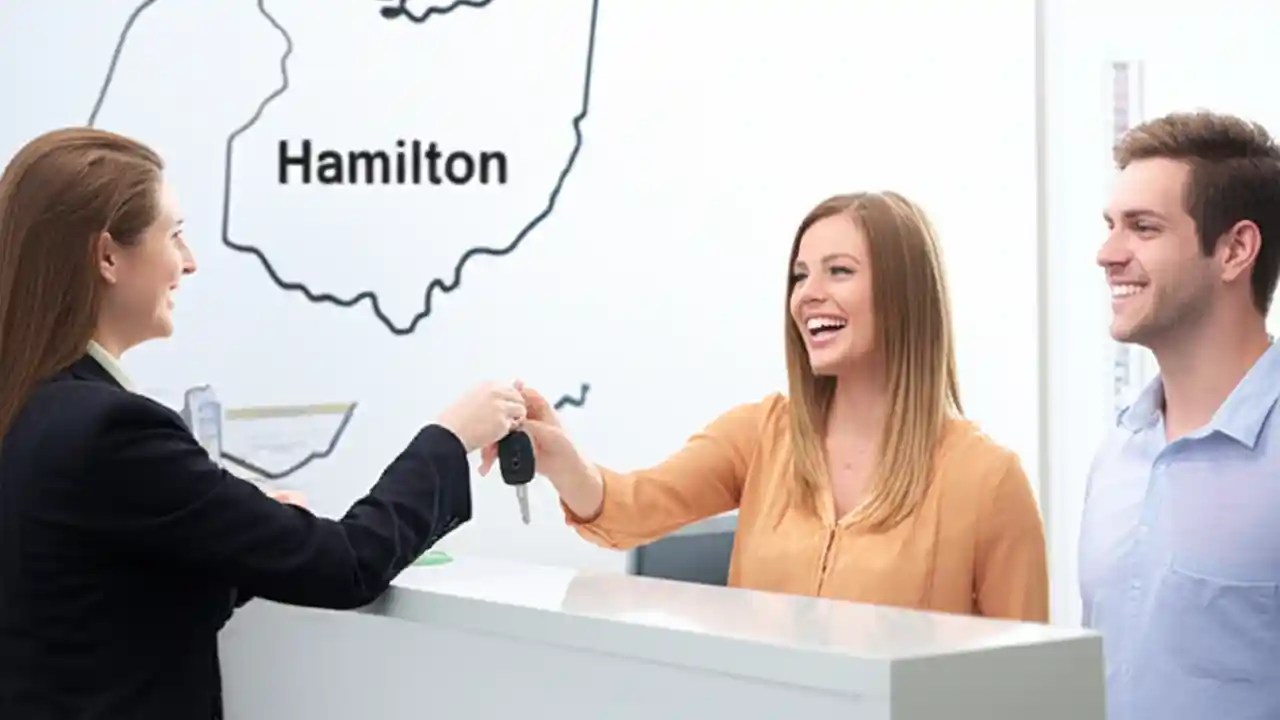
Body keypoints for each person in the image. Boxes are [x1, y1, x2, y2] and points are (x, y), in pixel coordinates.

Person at [0, 127, 527, 718]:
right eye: (174, 235)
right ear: (107, 257)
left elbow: (94, 600)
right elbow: (347, 563)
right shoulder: (109, 430)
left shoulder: (31, 410)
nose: (190, 262)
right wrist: (450, 439)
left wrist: (233, 535)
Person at [485, 191, 1048, 620]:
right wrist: (560, 460)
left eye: (839, 271)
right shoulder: (760, 435)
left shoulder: (988, 480)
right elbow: (632, 509)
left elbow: (1028, 686)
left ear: (905, 295)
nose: (807, 294)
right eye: (800, 275)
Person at [1080, 110, 1280, 720]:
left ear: (1235, 249)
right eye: (1111, 226)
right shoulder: (1118, 451)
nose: (1106, 254)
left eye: (1142, 228)